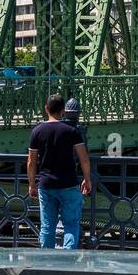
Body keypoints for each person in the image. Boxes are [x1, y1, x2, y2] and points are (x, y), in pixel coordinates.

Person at [27, 93, 92, 250]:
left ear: (46, 109)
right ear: (63, 111)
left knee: (47, 226)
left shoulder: (37, 131)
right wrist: (87, 179)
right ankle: (68, 260)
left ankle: (46, 261)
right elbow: (83, 158)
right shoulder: (71, 131)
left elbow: (31, 161)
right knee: (71, 224)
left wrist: (31, 184)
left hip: (46, 184)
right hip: (69, 183)